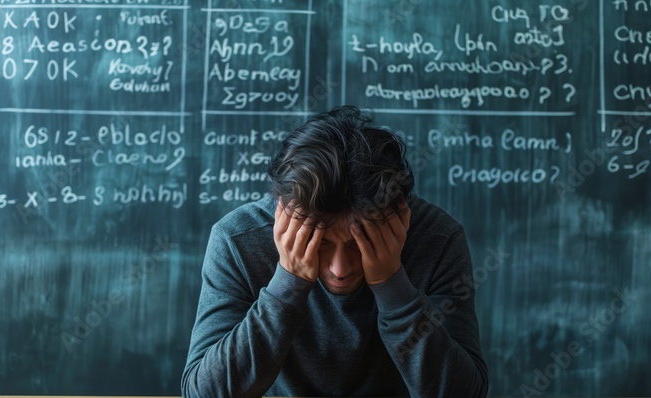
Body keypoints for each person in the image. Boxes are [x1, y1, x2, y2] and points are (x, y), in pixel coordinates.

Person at [181, 105, 488, 397]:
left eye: (359, 243)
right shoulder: (237, 240)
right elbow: (203, 393)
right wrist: (287, 283)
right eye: (321, 243)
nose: (340, 269)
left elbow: (466, 393)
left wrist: (392, 284)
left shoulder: (438, 238)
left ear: (399, 213)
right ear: (284, 210)